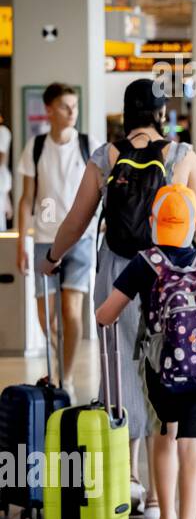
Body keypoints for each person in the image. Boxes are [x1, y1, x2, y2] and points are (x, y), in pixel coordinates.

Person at [43, 77, 196, 519]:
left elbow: (77, 221)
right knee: (161, 370)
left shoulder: (105, 156)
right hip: (166, 276)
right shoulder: (182, 155)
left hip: (115, 272)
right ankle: (162, 501)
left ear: (125, 112)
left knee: (118, 370)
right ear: (162, 113)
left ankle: (130, 480)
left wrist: (52, 256)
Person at [95, 183, 196, 519]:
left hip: (161, 371)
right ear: (195, 224)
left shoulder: (146, 262)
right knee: (191, 447)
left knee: (165, 431)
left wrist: (105, 314)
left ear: (153, 223)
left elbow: (105, 313)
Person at [16, 83, 101, 379]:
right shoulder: (36, 147)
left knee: (72, 310)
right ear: (49, 110)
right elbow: (26, 198)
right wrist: (20, 243)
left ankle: (63, 378)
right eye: (65, 106)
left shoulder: (89, 145)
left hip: (80, 238)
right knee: (46, 316)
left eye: (75, 106)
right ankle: (58, 353)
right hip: (43, 238)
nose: (72, 112)